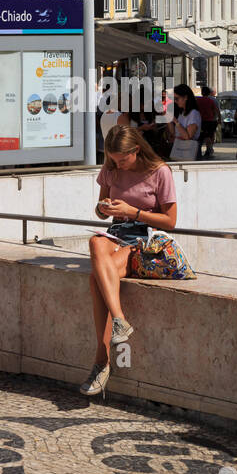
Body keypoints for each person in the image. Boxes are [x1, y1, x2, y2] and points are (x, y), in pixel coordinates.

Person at [79, 125, 177, 397]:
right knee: (95, 241)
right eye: (112, 159)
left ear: (136, 150)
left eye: (122, 160)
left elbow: (170, 221)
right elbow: (100, 211)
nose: (116, 164)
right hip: (115, 233)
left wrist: (133, 212)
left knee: (95, 277)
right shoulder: (110, 168)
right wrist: (103, 208)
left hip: (145, 239)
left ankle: (101, 362)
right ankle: (120, 320)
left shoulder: (160, 172)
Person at [170, 84, 201, 161]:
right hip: (180, 149)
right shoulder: (182, 113)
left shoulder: (193, 113)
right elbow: (174, 133)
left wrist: (176, 121)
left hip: (189, 151)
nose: (175, 101)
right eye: (174, 99)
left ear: (186, 97)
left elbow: (188, 136)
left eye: (177, 98)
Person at [195, 85, 221, 160]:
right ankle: (209, 148)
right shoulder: (211, 100)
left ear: (202, 93)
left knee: (201, 136)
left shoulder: (198, 100)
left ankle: (202, 150)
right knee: (209, 135)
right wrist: (219, 119)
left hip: (201, 121)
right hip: (210, 120)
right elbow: (216, 110)